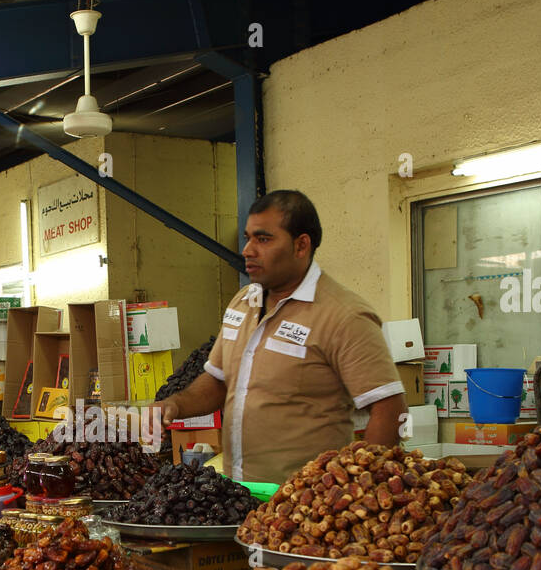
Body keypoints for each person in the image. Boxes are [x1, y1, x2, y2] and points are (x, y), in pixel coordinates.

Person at [155, 190, 406, 484]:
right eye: (247, 238)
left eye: (263, 239)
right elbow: (218, 381)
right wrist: (175, 404)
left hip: (306, 507)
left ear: (301, 246)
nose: (248, 250)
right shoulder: (243, 302)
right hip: (240, 495)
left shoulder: (343, 316)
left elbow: (390, 408)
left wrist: (363, 489)